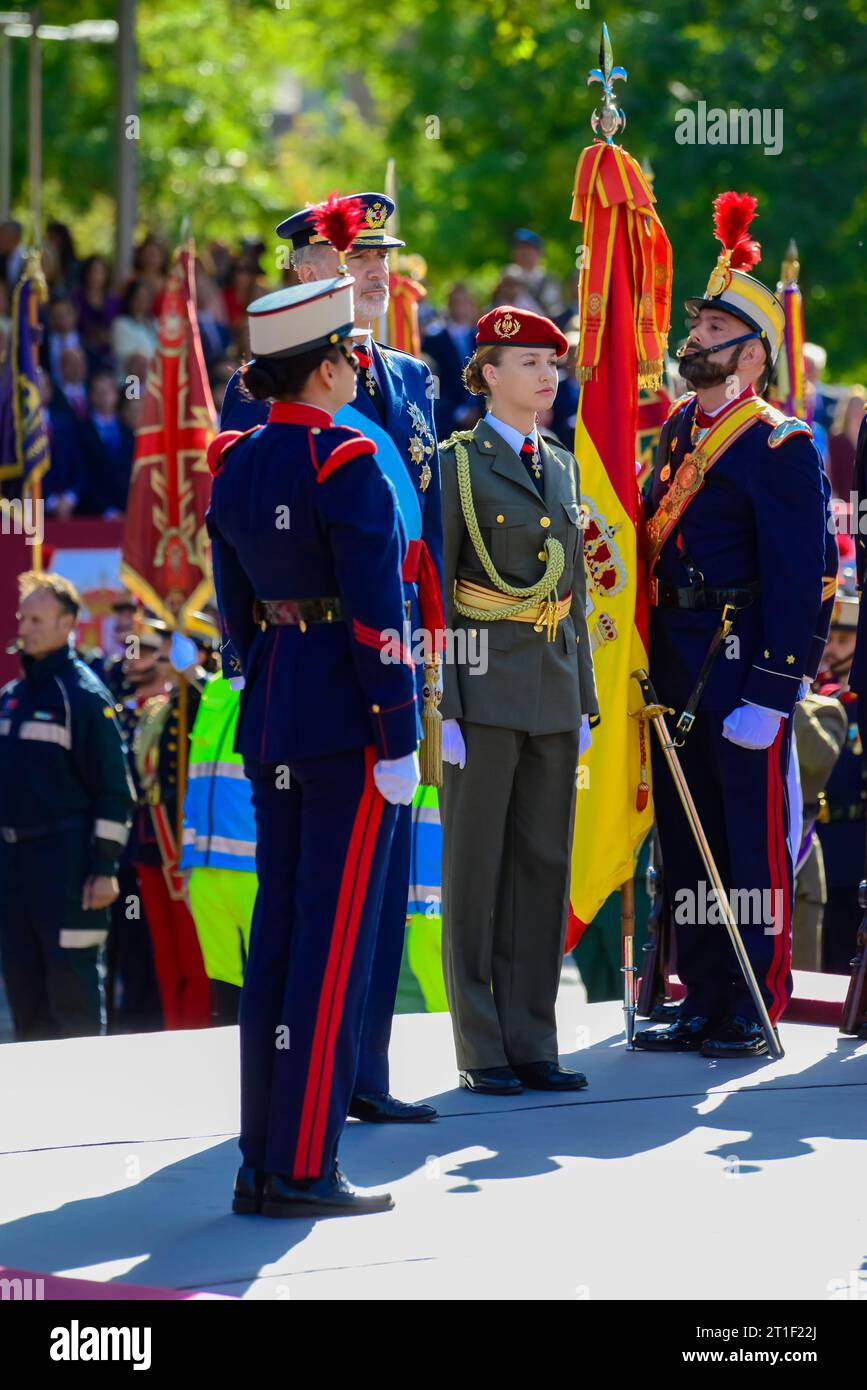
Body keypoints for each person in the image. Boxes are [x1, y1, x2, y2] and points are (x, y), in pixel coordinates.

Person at [221, 191, 441, 1126]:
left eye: (382, 258)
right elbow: (250, 554)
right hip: (336, 666)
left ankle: (363, 1069)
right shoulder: (268, 399)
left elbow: (426, 526)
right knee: (322, 905)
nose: (375, 273)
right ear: (307, 276)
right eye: (353, 259)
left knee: (376, 889)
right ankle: (306, 1120)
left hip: (396, 646)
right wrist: (250, 659)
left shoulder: (414, 377)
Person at [633, 192, 832, 1058]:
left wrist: (774, 690)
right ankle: (701, 990)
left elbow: (804, 579)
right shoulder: (678, 429)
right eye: (695, 325)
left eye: (712, 329)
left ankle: (752, 998)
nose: (693, 340)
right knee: (687, 838)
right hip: (671, 659)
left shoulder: (779, 445)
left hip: (740, 658)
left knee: (744, 845)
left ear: (749, 355)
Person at [437, 305, 598, 1094]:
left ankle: (533, 1037)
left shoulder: (562, 465)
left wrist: (585, 702)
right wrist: (441, 706)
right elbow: (435, 590)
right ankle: (481, 1046)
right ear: (488, 374)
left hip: (551, 689)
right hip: (482, 690)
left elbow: (572, 590)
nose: (546, 375)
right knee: (475, 871)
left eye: (553, 364)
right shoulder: (456, 463)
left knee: (541, 864)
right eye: (529, 362)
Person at [0, 571, 134, 1040]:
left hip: (69, 871)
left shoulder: (83, 695)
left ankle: (86, 1107)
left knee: (71, 999)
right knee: (24, 995)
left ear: (68, 625)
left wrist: (104, 868)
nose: (26, 628)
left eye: (38, 619)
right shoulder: (11, 700)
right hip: (15, 869)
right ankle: (39, 1110)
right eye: (23, 617)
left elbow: (116, 791)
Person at [815, 588, 863, 972]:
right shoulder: (810, 698)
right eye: (828, 637)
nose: (831, 648)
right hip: (817, 845)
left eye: (844, 639)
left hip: (856, 844)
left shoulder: (858, 705)